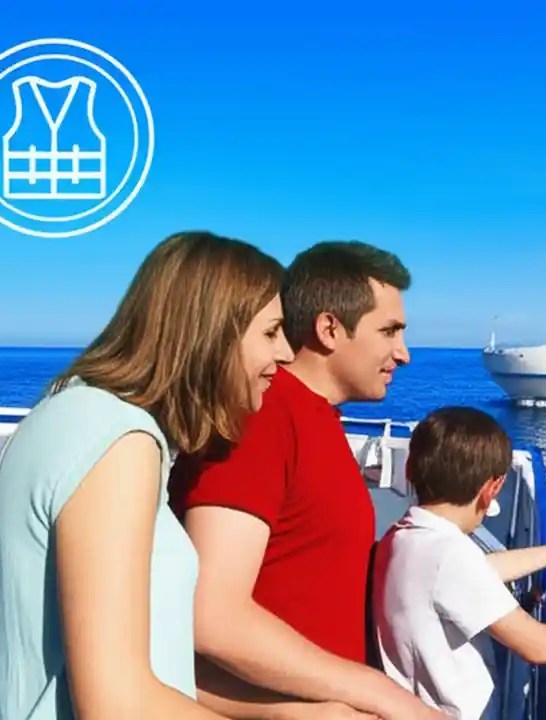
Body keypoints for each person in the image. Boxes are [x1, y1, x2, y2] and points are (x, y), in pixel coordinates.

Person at [0, 231, 293, 720]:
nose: (287, 354)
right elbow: (116, 704)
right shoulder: (115, 437)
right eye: (272, 332)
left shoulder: (80, 415)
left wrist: (289, 712)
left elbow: (143, 670)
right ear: (211, 331)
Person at [168, 241, 443, 719]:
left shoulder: (314, 418)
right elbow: (211, 616)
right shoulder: (264, 417)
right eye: (390, 331)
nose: (404, 354)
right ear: (329, 328)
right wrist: (380, 694)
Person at [372, 406, 546, 719]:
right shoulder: (448, 555)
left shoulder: (403, 537)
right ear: (492, 489)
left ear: (409, 469)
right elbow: (535, 643)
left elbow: (487, 569)